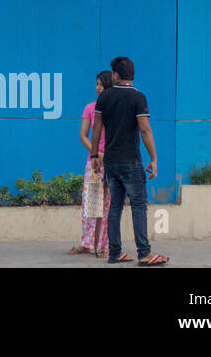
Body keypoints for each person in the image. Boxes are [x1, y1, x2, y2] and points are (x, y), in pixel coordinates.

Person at [88, 56, 168, 266]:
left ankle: (115, 252)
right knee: (139, 205)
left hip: (111, 162)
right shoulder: (138, 98)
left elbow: (96, 127)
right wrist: (154, 157)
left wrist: (95, 155)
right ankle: (144, 252)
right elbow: (144, 129)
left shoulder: (104, 98)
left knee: (115, 206)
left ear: (116, 75)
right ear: (131, 75)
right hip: (131, 161)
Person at [68, 70, 114, 257]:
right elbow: (83, 136)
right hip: (94, 163)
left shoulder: (116, 111)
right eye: (96, 84)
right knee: (91, 204)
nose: (97, 88)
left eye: (101, 85)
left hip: (112, 163)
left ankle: (105, 244)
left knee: (110, 206)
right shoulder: (89, 108)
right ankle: (86, 243)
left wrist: (108, 156)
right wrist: (96, 154)